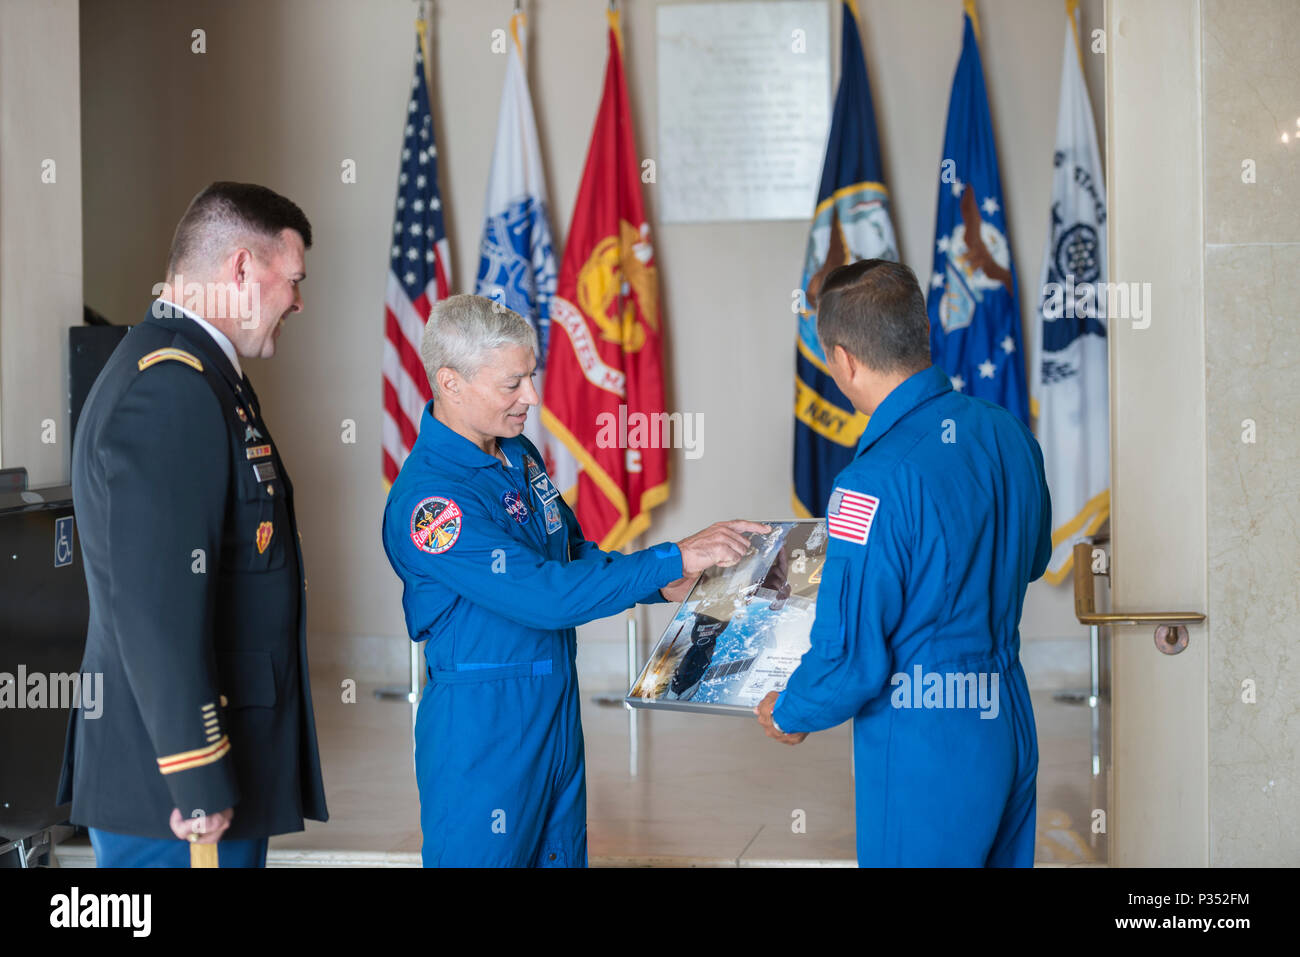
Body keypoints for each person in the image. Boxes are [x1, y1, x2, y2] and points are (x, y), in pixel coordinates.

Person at [382, 293, 766, 867]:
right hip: (484, 729)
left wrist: (661, 585)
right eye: (513, 384)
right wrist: (669, 558)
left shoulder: (518, 454)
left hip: (555, 709)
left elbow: (572, 556)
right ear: (450, 382)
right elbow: (544, 594)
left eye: (531, 377)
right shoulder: (432, 503)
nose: (531, 398)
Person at [57, 181, 328, 867]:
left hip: (197, 783)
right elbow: (155, 607)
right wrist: (198, 772)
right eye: (291, 279)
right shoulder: (170, 388)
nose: (298, 301)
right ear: (241, 268)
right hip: (179, 799)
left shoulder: (201, 375)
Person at [754, 259, 1052, 867]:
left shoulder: (869, 483)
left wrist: (792, 708)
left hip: (926, 740)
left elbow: (853, 654)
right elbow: (1033, 558)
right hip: (1008, 720)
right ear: (920, 332)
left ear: (842, 360)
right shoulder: (1006, 432)